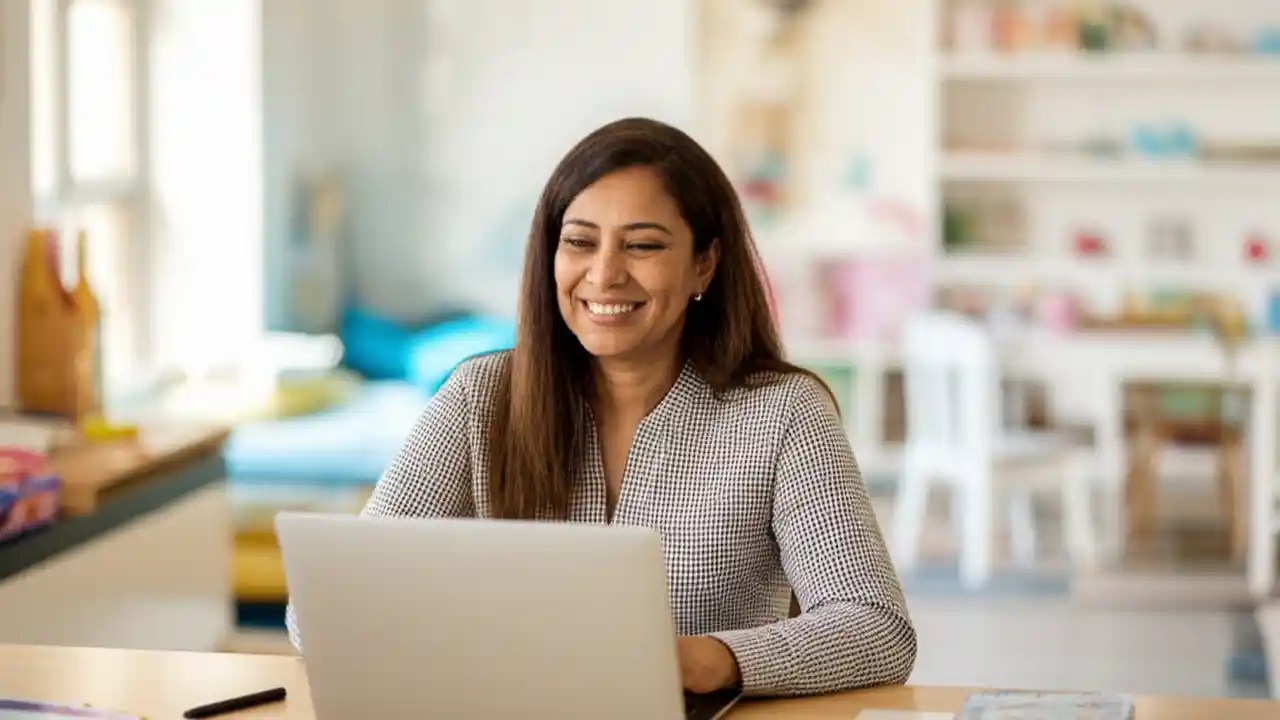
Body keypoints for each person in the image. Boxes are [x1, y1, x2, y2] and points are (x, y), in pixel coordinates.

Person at [286, 117, 916, 696]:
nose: (605, 274)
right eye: (581, 242)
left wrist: (706, 660)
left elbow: (877, 629)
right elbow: (325, 606)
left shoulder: (784, 413)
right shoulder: (478, 399)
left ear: (704, 264)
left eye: (642, 246)